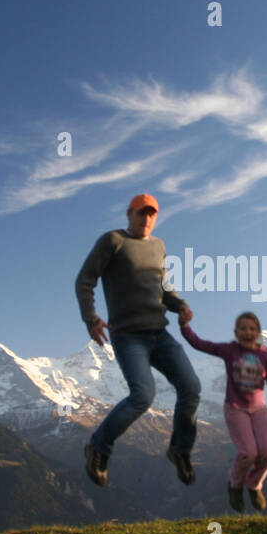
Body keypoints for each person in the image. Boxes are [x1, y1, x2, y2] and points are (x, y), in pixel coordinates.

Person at [75, 193, 201, 487]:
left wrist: (180, 305)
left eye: (151, 214)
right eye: (140, 213)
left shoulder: (158, 247)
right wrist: (91, 319)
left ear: (156, 218)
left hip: (160, 332)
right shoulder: (112, 241)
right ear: (129, 214)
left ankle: (179, 450)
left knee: (191, 387)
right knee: (143, 395)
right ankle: (98, 446)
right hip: (128, 335)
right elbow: (85, 280)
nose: (146, 219)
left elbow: (163, 289)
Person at [180, 312, 267, 513]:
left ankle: (254, 485)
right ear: (236, 332)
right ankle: (235, 485)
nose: (248, 332)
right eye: (243, 328)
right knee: (248, 453)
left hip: (259, 409)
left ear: (258, 332)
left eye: (252, 329)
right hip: (236, 409)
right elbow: (200, 344)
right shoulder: (229, 350)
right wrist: (185, 326)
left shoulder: (266, 354)